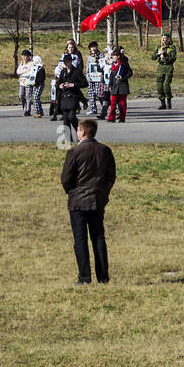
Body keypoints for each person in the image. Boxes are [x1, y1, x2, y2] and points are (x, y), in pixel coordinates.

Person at [61, 117, 116, 285]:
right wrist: (104, 193)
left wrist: (71, 191)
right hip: (97, 200)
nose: (76, 132)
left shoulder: (74, 152)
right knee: (99, 237)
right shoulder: (105, 150)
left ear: (83, 132)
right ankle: (103, 277)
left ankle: (84, 277)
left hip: (78, 201)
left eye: (77, 130)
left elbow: (65, 178)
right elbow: (111, 176)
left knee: (80, 239)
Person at [56, 54, 87, 142]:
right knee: (66, 120)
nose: (66, 64)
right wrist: (60, 85)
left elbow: (85, 83)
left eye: (68, 62)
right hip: (64, 97)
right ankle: (68, 140)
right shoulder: (63, 71)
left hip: (73, 96)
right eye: (65, 62)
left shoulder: (77, 71)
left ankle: (79, 132)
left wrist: (73, 85)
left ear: (71, 61)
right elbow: (58, 82)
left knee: (72, 116)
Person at [152, 32, 177, 109]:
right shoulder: (159, 47)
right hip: (160, 67)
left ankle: (169, 101)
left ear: (168, 39)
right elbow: (153, 57)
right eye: (162, 38)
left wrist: (165, 56)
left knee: (166, 85)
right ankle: (162, 103)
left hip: (168, 67)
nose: (163, 39)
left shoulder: (172, 47)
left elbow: (173, 58)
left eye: (165, 38)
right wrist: (158, 54)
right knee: (159, 86)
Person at [106, 50, 131, 122]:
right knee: (113, 103)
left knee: (122, 104)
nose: (113, 57)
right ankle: (111, 118)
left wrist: (123, 77)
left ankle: (122, 118)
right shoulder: (113, 66)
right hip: (114, 87)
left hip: (122, 87)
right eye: (112, 56)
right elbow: (111, 76)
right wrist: (110, 85)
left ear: (118, 57)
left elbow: (130, 72)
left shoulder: (123, 64)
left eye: (114, 56)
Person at [85, 43, 105, 116]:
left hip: (99, 79)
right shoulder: (89, 57)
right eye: (92, 47)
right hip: (91, 79)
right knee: (91, 94)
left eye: (94, 47)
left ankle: (104, 108)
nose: (93, 48)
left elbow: (103, 67)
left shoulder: (101, 56)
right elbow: (87, 69)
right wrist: (88, 77)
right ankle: (93, 109)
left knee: (99, 94)